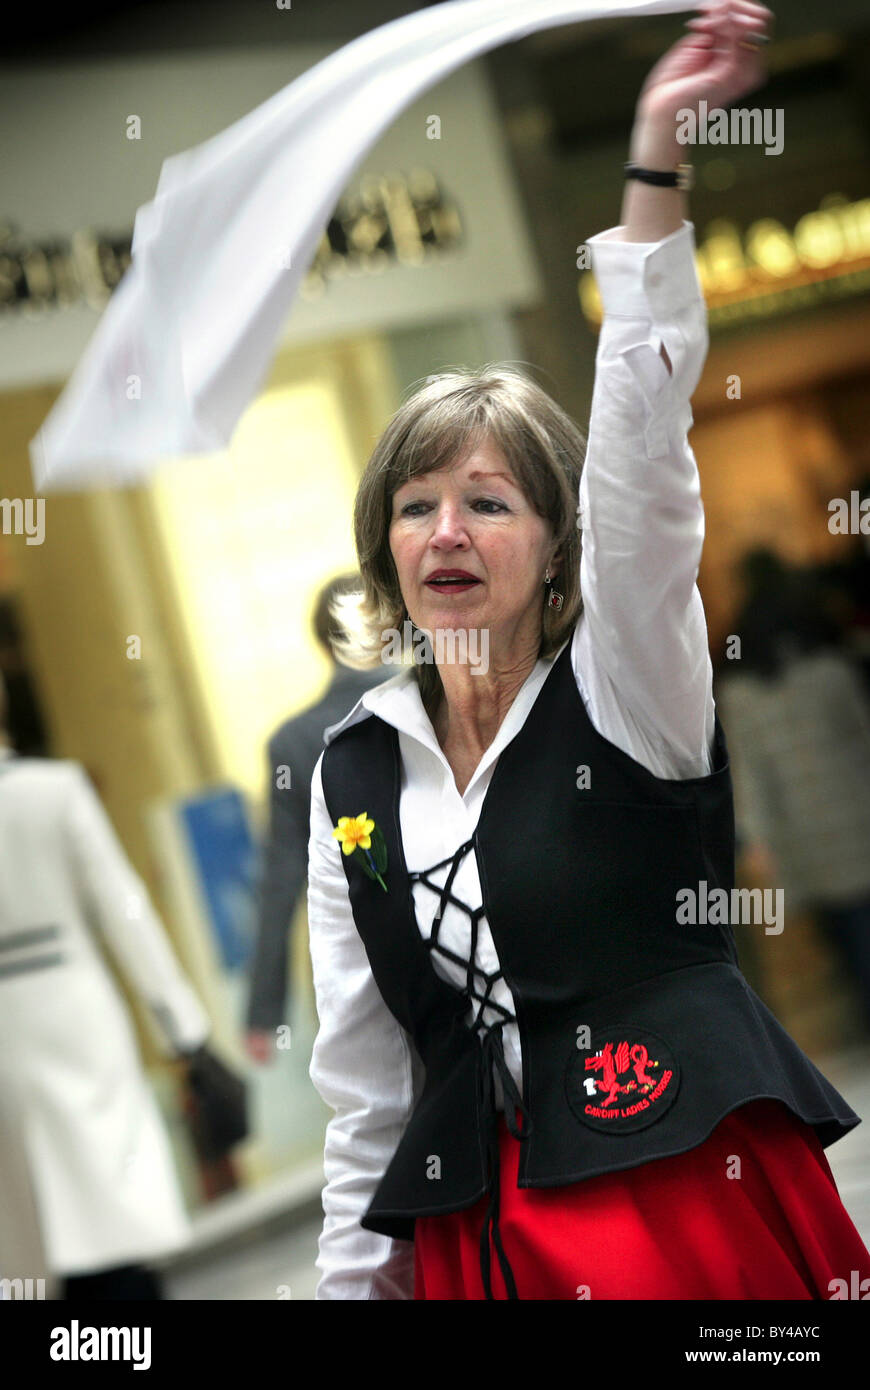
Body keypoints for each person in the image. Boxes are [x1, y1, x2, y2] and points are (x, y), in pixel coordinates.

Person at [305, 0, 870, 1300]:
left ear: (559, 544)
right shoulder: (353, 774)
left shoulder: (626, 682)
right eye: (413, 504)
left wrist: (655, 149)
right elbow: (366, 1089)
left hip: (679, 1200)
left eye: (489, 501)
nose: (446, 530)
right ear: (380, 539)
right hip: (481, 1239)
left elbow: (633, 447)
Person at [0, 670, 212, 1300]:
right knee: (108, 1211)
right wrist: (185, 1031)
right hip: (75, 1013)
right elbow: (126, 912)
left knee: (30, 1240)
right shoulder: (56, 790)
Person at [717, 549, 870, 1032]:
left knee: (842, 932)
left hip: (799, 830)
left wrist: (755, 838)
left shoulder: (739, 686)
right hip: (854, 810)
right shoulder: (831, 661)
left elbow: (748, 771)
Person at [245, 574, 393, 1063]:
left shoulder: (291, 743)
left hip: (351, 966)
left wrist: (262, 1013)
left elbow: (281, 877)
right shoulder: (433, 700)